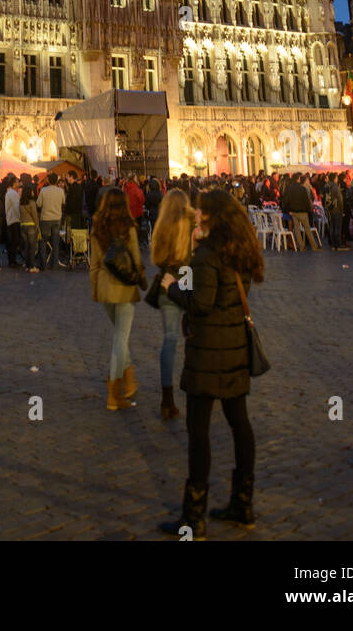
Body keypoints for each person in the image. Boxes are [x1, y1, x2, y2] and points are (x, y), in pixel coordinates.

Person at [159, 189, 265, 540]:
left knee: (199, 432)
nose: (197, 215)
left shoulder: (207, 255)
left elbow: (201, 304)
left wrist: (173, 288)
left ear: (213, 215)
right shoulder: (239, 250)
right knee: (240, 423)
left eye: (203, 211)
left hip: (207, 353)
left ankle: (194, 517)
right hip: (234, 348)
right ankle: (243, 503)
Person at [89, 188, 146, 411]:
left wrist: (95, 289)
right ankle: (114, 394)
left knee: (119, 336)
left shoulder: (98, 229)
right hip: (124, 287)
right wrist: (141, 280)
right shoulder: (128, 228)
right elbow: (136, 258)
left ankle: (129, 378)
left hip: (104, 287)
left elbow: (93, 265)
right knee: (120, 339)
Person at [150, 188, 196, 420]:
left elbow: (156, 258)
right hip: (186, 278)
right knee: (194, 335)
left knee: (169, 339)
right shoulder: (190, 223)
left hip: (167, 281)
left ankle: (167, 397)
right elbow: (194, 256)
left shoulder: (162, 225)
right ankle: (196, 384)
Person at [37, 172, 65, 268]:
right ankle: (54, 264)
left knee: (43, 241)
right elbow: (63, 202)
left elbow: (39, 204)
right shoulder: (60, 191)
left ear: (48, 180)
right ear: (57, 181)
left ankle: (43, 264)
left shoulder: (43, 190)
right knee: (55, 242)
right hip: (57, 218)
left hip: (45, 218)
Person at [19, 184, 40, 273]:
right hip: (31, 226)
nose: (32, 192)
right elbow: (35, 216)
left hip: (23, 226)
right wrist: (37, 225)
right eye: (31, 191)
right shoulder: (32, 203)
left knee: (26, 247)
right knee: (32, 247)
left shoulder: (20, 203)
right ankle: (32, 266)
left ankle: (27, 265)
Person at [4, 175, 21, 268]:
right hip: (14, 219)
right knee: (14, 242)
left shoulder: (9, 192)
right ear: (14, 183)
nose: (19, 183)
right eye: (17, 182)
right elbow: (16, 207)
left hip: (10, 219)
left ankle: (12, 261)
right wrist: (20, 218)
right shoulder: (13, 193)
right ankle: (12, 261)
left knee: (12, 242)